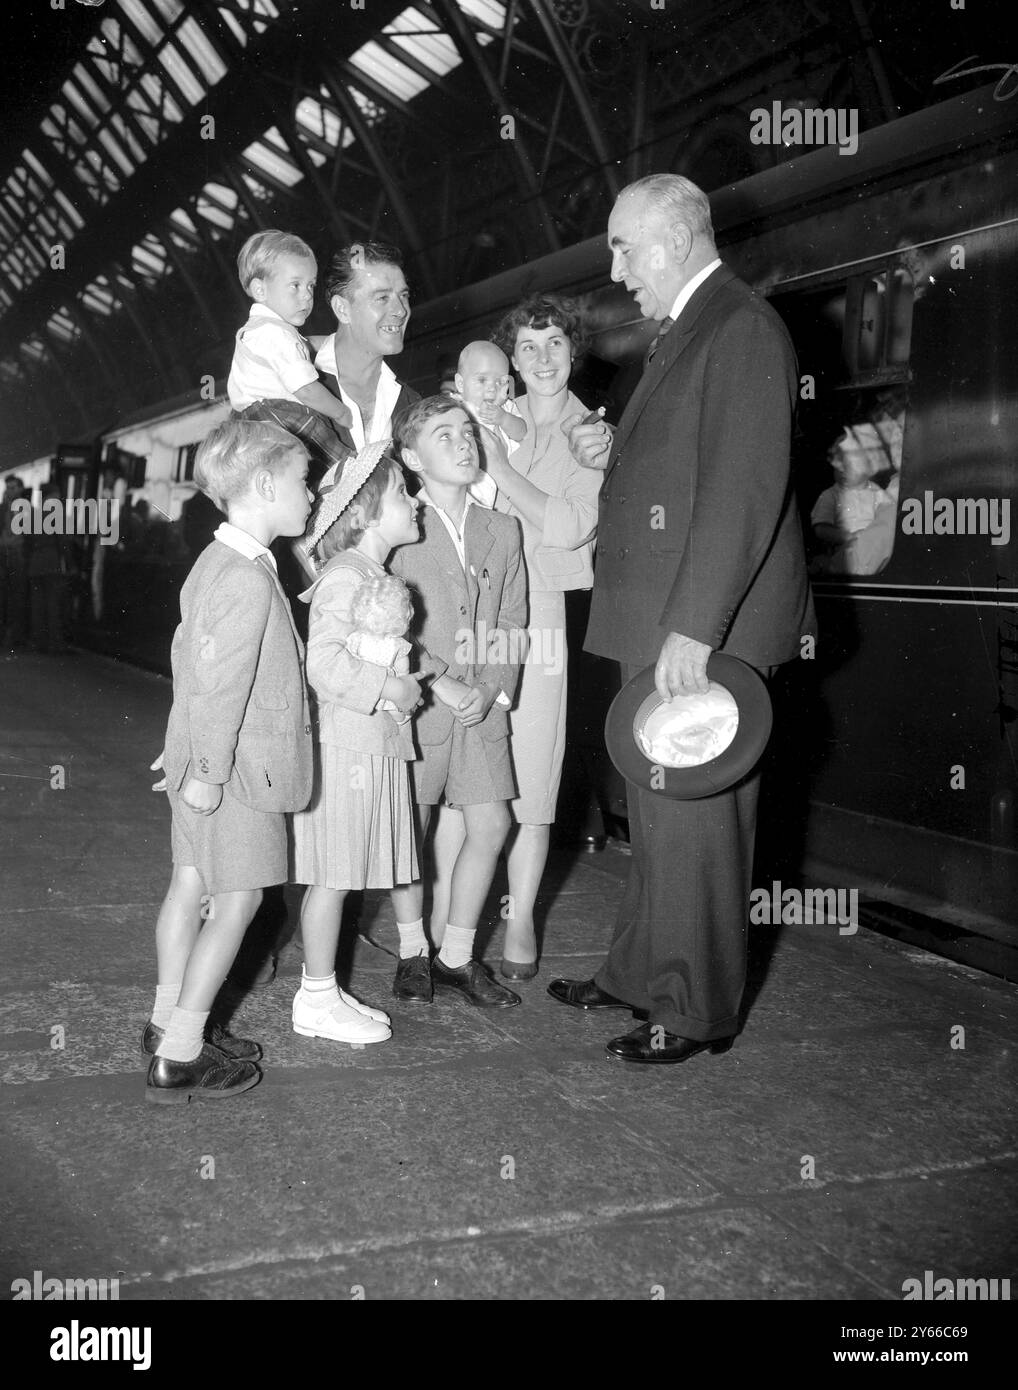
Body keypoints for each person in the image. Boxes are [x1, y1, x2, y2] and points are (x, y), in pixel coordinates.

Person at [553, 173, 814, 1064]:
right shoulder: (686, 334)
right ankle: (637, 976)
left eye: (626, 247)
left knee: (696, 821)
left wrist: (696, 629)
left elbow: (742, 493)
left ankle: (694, 1010)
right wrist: (611, 446)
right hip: (656, 620)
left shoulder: (738, 328)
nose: (618, 269)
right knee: (656, 810)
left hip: (698, 631)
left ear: (675, 238)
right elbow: (680, 468)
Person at [143, 419, 315, 1103]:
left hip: (203, 754)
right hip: (236, 769)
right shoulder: (246, 578)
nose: (311, 492)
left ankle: (165, 1024)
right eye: (304, 480)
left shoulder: (214, 562)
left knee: (190, 884)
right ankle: (182, 1054)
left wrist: (182, 747)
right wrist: (209, 773)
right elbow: (222, 683)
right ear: (267, 485)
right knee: (237, 904)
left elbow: (190, 665)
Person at [430, 299, 603, 979]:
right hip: (474, 607)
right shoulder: (480, 407)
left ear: (573, 349)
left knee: (533, 772)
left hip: (541, 613)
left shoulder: (590, 433)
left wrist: (499, 470)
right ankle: (449, 911)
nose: (541, 359)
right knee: (465, 763)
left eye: (555, 342)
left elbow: (567, 526)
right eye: (526, 348)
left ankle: (521, 913)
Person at [387, 396, 527, 1008]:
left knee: (492, 823)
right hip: (420, 704)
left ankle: (457, 957)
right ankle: (413, 951)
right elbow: (380, 625)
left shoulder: (502, 527)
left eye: (468, 431)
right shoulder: (396, 527)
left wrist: (494, 687)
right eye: (445, 436)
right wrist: (439, 678)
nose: (464, 442)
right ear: (412, 457)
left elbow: (515, 620)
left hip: (483, 705)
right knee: (408, 831)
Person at [289, 447, 424, 1046]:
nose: (414, 500)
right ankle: (315, 999)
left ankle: (326, 988)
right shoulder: (345, 576)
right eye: (402, 493)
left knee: (342, 876)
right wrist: (390, 685)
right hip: (349, 750)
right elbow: (323, 664)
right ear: (367, 513)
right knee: (334, 877)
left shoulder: (367, 574)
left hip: (370, 746)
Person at [227, 229, 354, 487]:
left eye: (311, 285)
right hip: (278, 415)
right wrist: (341, 413)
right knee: (343, 467)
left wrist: (333, 341)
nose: (307, 295)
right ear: (260, 289)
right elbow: (306, 389)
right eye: (295, 285)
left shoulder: (264, 329)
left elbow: (305, 347)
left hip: (252, 423)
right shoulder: (275, 334)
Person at [311, 241, 420, 481]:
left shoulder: (411, 403)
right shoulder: (295, 383)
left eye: (404, 295)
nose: (401, 310)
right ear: (342, 309)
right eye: (382, 298)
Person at [453, 341, 527, 455]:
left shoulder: (506, 407)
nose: (492, 388)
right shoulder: (455, 410)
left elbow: (522, 432)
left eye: (499, 382)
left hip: (511, 467)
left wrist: (504, 419)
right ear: (460, 383)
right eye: (482, 380)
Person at [27, 482, 72, 652]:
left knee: (37, 606)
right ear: (52, 495)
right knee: (53, 604)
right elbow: (63, 542)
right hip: (51, 562)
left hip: (35, 563)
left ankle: (38, 642)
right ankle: (55, 643)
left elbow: (28, 539)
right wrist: (71, 564)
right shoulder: (57, 514)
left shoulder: (33, 514)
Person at [0, 475, 29, 652]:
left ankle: (13, 635)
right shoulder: (3, 508)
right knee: (8, 594)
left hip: (16, 553)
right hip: (5, 552)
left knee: (15, 595)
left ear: (20, 489)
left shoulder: (26, 510)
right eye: (7, 488)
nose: (9, 491)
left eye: (12, 488)